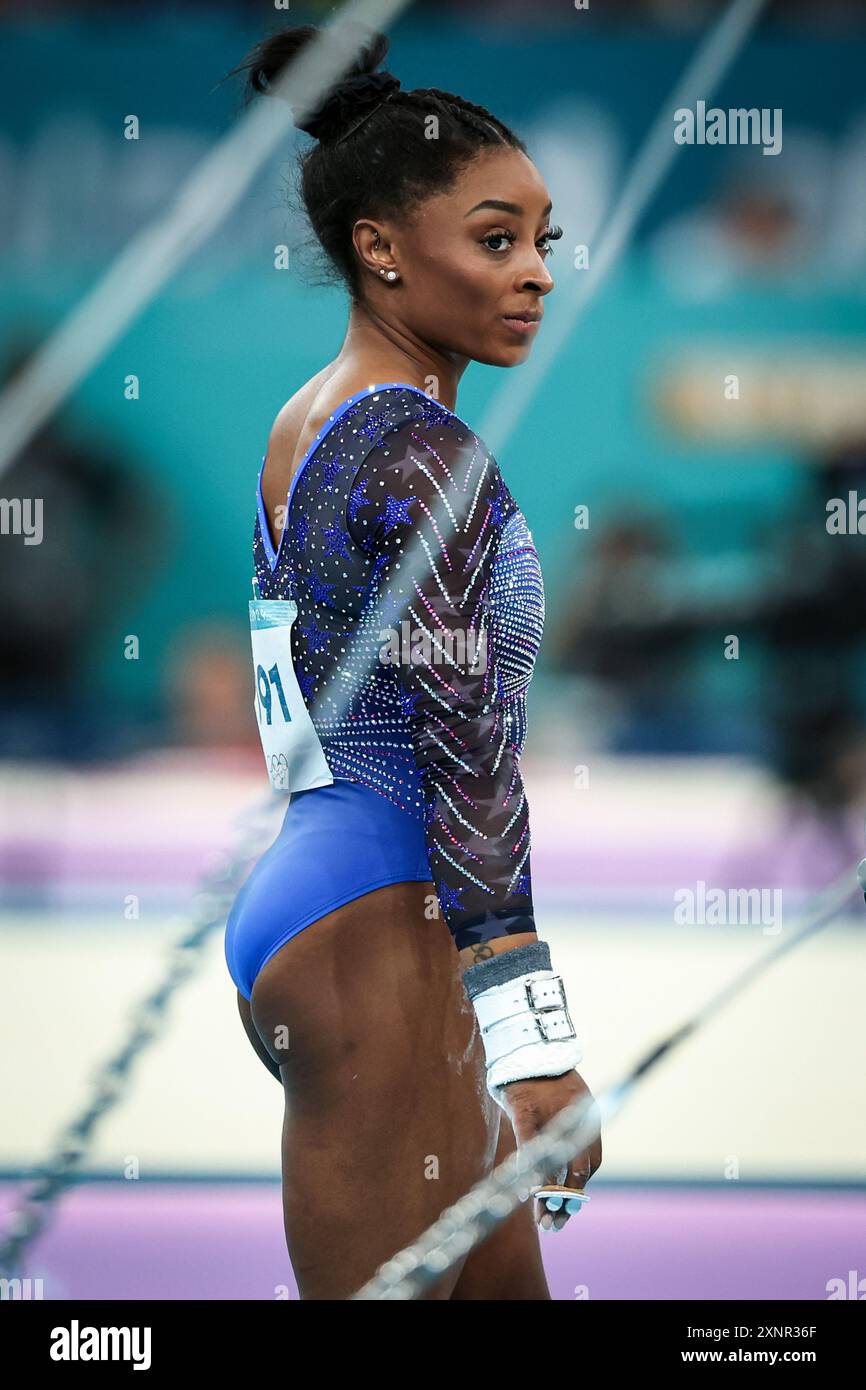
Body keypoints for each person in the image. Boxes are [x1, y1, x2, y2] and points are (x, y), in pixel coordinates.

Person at [221, 22, 601, 1300]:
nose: (534, 272)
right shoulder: (414, 450)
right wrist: (532, 1036)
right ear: (379, 249)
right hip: (378, 917)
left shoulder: (315, 414)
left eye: (539, 241)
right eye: (493, 240)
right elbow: (467, 747)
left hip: (340, 888)